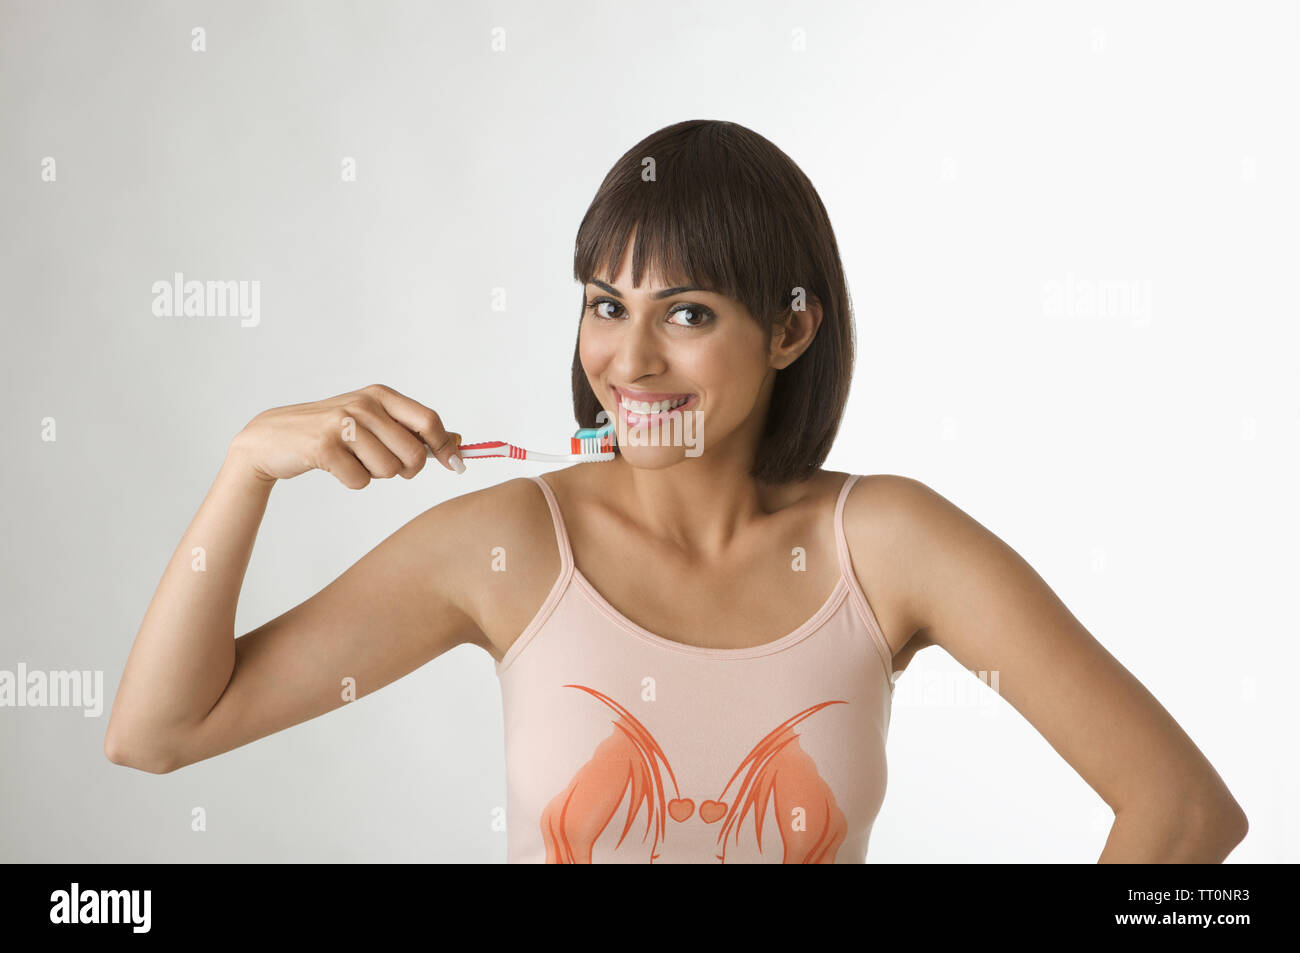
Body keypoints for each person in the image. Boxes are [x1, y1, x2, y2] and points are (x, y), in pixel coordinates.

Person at [105, 119, 1247, 863]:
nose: (630, 360)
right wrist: (249, 464)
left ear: (792, 326)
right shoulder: (507, 543)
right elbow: (160, 731)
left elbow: (1185, 813)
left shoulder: (887, 541)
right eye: (606, 304)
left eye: (687, 313)